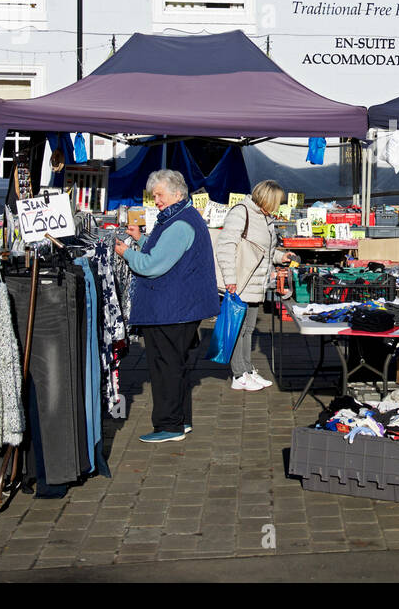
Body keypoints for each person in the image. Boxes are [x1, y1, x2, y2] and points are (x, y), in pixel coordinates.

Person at [115, 169, 219, 443]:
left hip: (171, 309)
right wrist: (140, 239)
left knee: (167, 368)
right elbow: (163, 251)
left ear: (177, 193)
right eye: (154, 195)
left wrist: (128, 253)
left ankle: (169, 426)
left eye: (159, 195)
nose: (156, 200)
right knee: (175, 366)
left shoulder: (180, 223)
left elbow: (151, 265)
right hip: (178, 309)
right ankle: (179, 421)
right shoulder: (181, 217)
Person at [215, 180, 296, 391]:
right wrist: (230, 278)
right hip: (241, 281)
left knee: (248, 329)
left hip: (255, 282)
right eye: (277, 201)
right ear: (268, 199)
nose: (279, 206)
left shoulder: (265, 218)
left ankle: (247, 369)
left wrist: (280, 256)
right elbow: (225, 246)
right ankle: (238, 373)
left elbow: (263, 249)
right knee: (238, 329)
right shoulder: (242, 212)